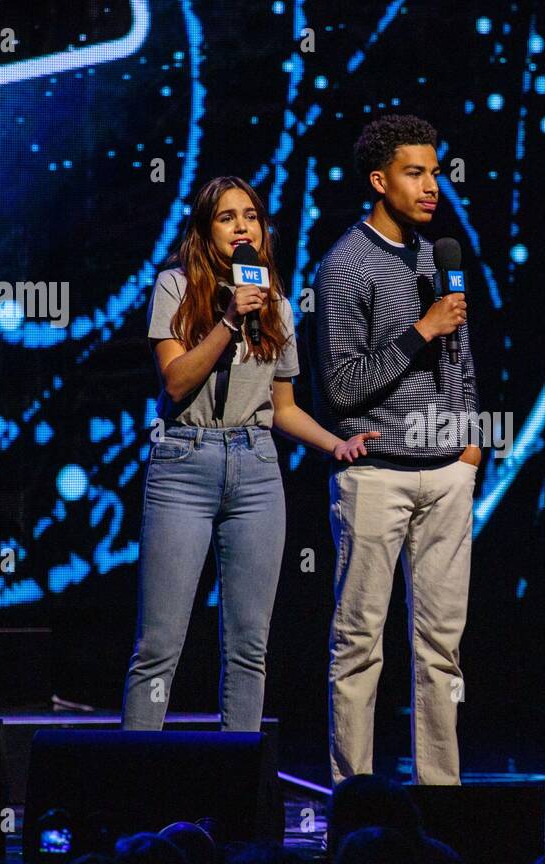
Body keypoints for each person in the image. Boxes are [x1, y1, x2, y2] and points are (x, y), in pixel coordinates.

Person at [121, 175, 376, 732]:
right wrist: (229, 320)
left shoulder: (277, 304)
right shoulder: (174, 286)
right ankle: (131, 789)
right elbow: (176, 382)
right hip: (184, 463)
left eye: (251, 216)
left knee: (249, 646)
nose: (243, 226)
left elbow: (282, 407)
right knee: (160, 644)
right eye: (227, 217)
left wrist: (337, 443)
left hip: (257, 467)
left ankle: (236, 792)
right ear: (205, 231)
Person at [312, 115, 481, 785]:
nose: (432, 185)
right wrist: (420, 331)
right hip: (376, 477)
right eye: (416, 173)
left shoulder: (439, 255)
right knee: (360, 645)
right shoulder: (344, 265)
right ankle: (353, 791)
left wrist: (469, 446)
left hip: (447, 477)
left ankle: (441, 792)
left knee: (441, 649)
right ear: (380, 181)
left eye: (436, 172)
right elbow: (342, 386)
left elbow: (462, 355)